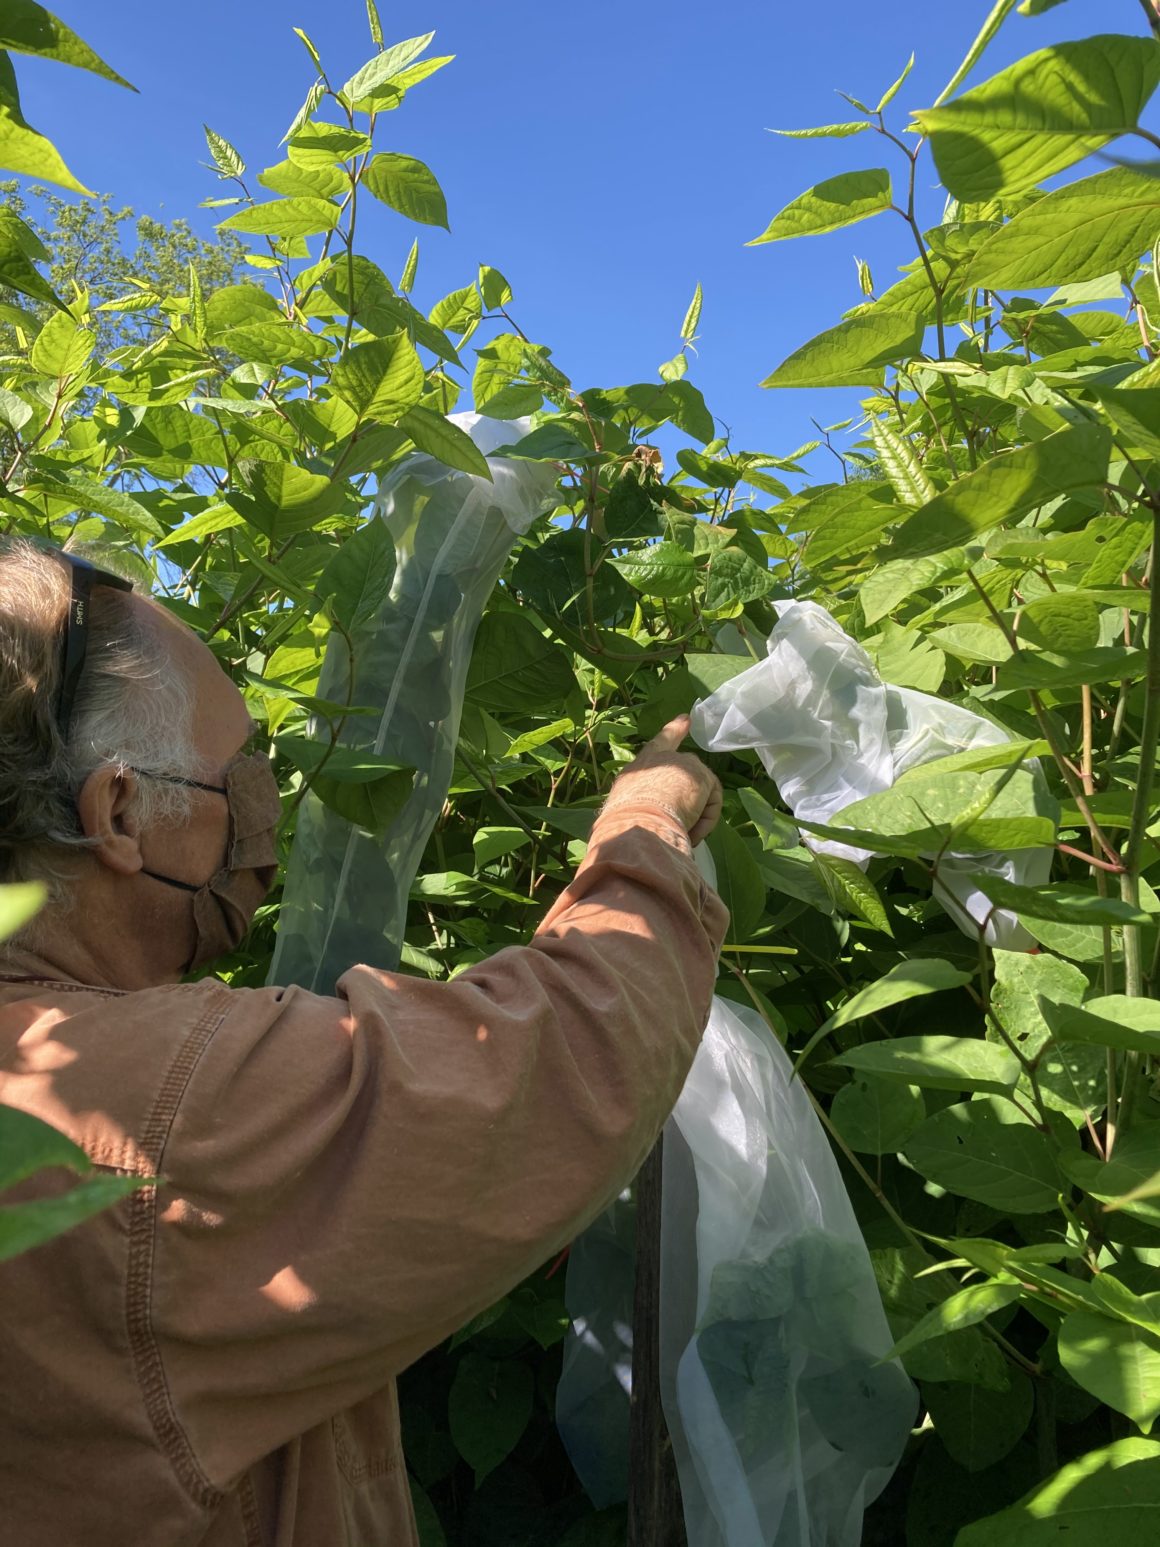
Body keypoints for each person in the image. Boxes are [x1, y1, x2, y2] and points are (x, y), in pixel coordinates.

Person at [0, 537, 727, 1546]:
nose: (261, 812)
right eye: (232, 778)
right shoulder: (157, 1106)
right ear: (117, 811)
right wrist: (648, 821)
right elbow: (560, 1060)